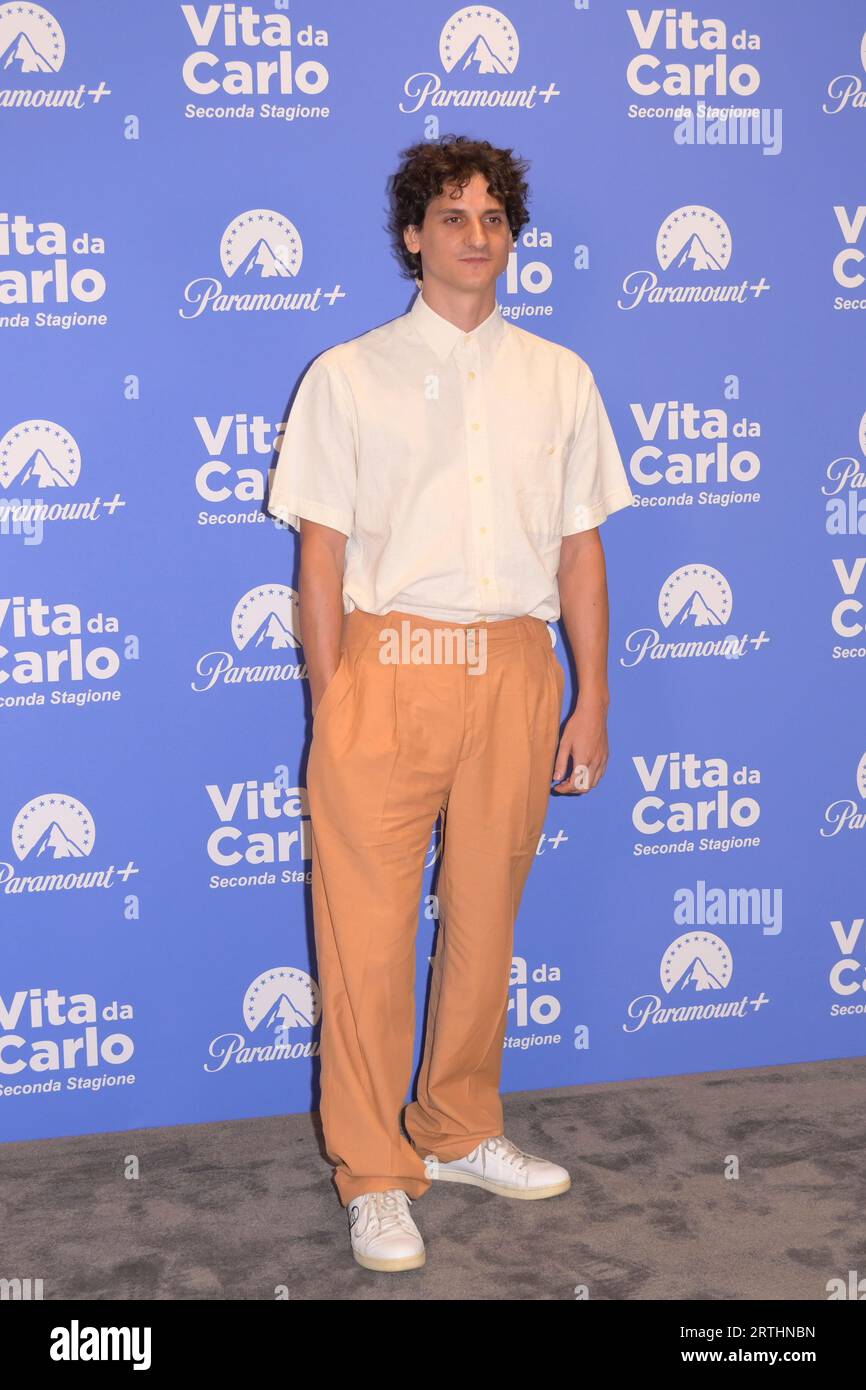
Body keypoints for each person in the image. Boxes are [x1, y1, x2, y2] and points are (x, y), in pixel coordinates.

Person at [267, 134, 635, 1273]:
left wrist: (590, 699)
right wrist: (337, 704)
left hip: (518, 673)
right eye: (452, 214)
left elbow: (579, 553)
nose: (475, 234)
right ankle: (375, 1171)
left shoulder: (560, 377)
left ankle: (460, 1126)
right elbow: (319, 558)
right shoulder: (350, 372)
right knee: (367, 942)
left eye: (493, 217)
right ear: (413, 235)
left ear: (509, 238)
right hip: (389, 668)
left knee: (484, 927)